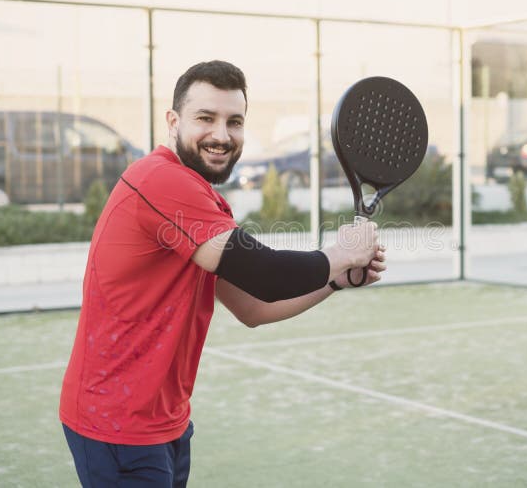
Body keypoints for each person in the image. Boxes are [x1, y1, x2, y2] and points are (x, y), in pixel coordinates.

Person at [59, 60, 385, 487]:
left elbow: (253, 306)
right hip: (117, 426)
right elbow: (266, 273)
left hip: (166, 421)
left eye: (235, 122)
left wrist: (336, 280)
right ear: (173, 122)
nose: (221, 135)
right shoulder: (160, 180)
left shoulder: (201, 199)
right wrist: (339, 254)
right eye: (205, 118)